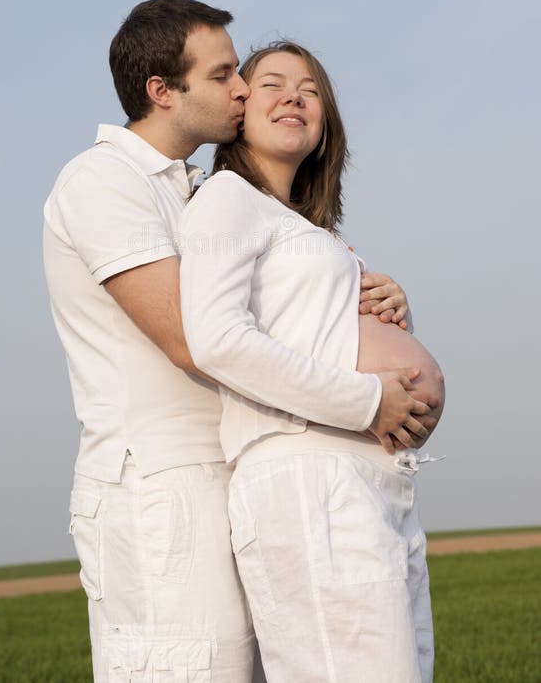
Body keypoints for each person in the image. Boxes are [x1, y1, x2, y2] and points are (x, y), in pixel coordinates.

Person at [43, 0, 425, 682]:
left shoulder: (204, 190)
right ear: (162, 91)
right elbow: (197, 340)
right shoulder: (103, 181)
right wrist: (367, 398)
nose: (243, 89)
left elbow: (280, 312)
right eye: (224, 75)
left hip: (231, 473)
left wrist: (367, 305)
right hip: (161, 485)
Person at [178, 41, 445, 682]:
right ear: (238, 109)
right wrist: (368, 400)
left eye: (311, 89)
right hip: (309, 475)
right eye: (270, 84)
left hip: (372, 478)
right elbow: (215, 339)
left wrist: (391, 308)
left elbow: (322, 332)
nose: (294, 96)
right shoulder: (227, 199)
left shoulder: (308, 228)